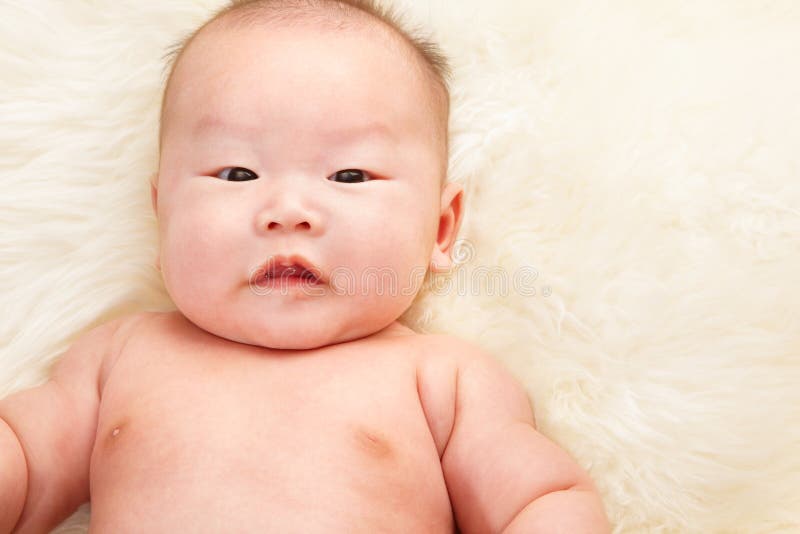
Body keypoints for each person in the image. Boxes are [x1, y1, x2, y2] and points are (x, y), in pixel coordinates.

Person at [0, 0, 610, 531]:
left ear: (440, 229)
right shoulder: (117, 357)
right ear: (164, 217)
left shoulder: (443, 380)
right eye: (236, 173)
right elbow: (22, 461)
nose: (288, 211)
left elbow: (541, 500)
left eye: (350, 175)